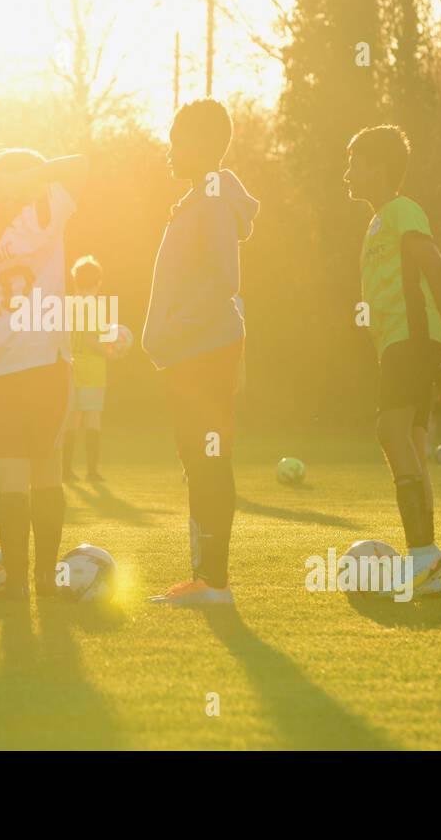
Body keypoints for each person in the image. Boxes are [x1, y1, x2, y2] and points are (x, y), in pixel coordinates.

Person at [0, 149, 88, 600]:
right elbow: (77, 165)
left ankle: (38, 579)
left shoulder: (39, 210)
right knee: (18, 477)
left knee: (42, 468)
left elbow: (81, 163)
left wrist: (23, 180)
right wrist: (2, 184)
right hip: (6, 369)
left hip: (32, 363)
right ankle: (22, 581)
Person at [144, 99, 259, 606]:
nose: (169, 151)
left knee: (209, 458)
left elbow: (223, 282)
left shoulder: (210, 202)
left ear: (202, 145)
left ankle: (213, 582)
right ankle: (204, 577)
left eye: (176, 140)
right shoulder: (198, 199)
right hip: (192, 352)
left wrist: (171, 331)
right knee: (198, 459)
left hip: (205, 350)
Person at [346, 124, 441, 598]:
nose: (348, 172)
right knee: (413, 441)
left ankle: (422, 555)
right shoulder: (376, 221)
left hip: (413, 340)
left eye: (356, 162)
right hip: (398, 344)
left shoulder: (403, 209)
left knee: (391, 431)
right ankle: (428, 566)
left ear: (378, 168)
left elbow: (437, 271)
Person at [63, 255, 109, 483]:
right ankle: (92, 471)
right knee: (92, 418)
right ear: (98, 281)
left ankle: (66, 470)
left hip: (70, 368)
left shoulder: (67, 303)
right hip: (92, 370)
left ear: (75, 280)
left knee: (71, 419)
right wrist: (112, 351)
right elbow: (92, 340)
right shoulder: (95, 305)